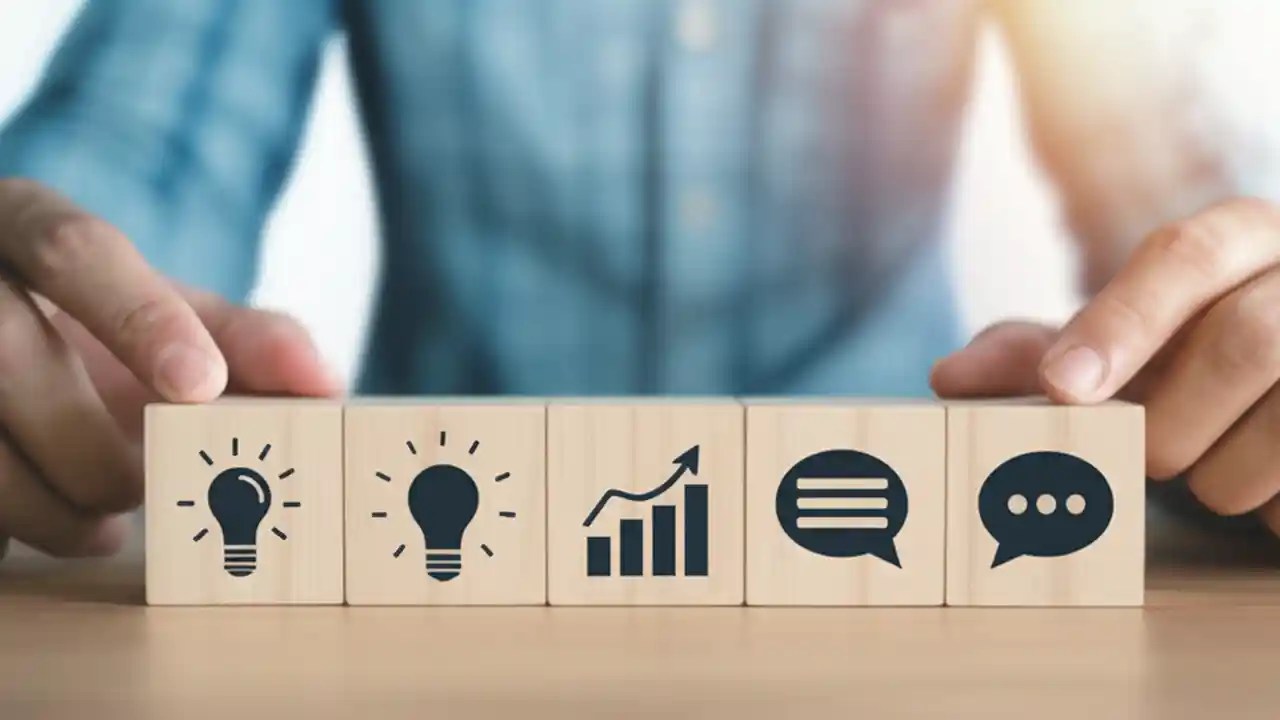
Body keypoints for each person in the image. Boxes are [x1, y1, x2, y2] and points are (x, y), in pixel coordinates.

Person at [0, 0, 1277, 559]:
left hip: (908, 584)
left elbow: (1174, 181)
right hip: (421, 617)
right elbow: (138, 139)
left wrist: (1241, 348)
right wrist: (55, 321)